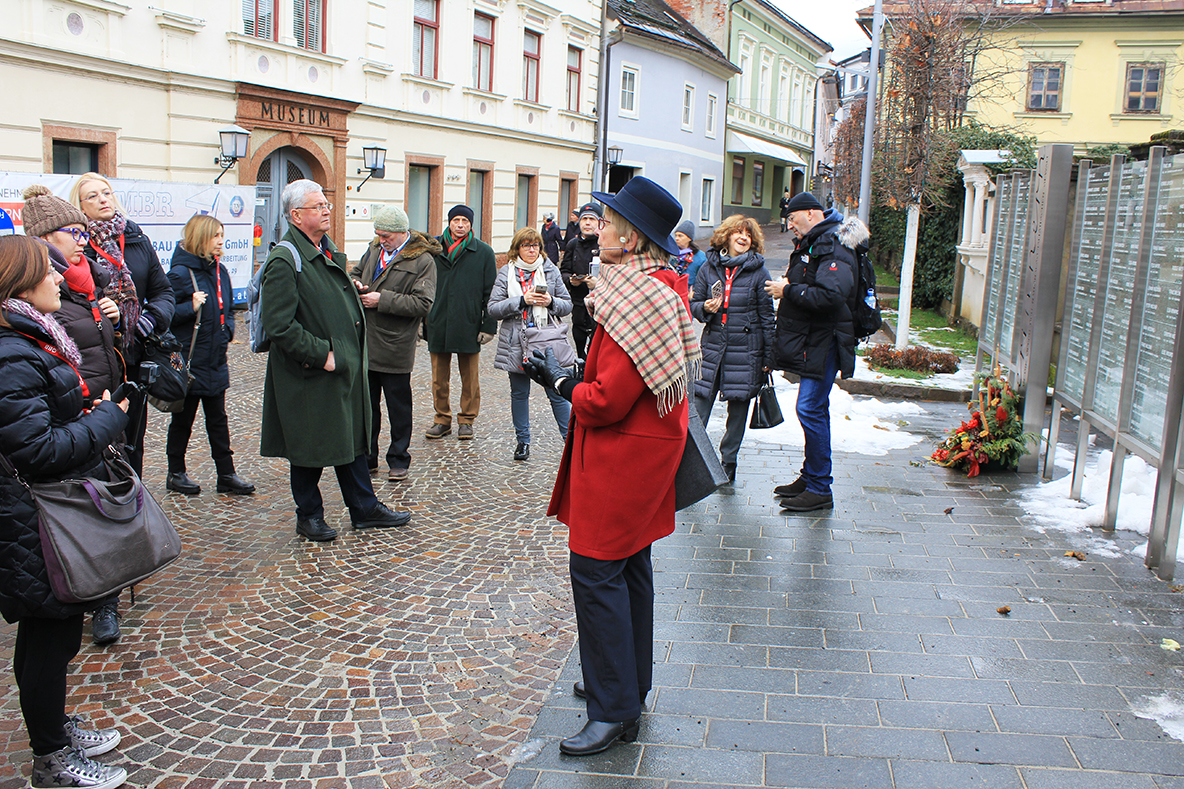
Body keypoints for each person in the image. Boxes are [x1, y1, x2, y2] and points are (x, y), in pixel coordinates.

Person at [524, 177, 699, 756]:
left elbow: (606, 400)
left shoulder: (635, 300)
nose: (596, 228)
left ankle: (613, 709)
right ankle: (623, 683)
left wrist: (561, 378)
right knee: (628, 575)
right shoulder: (649, 289)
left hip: (623, 457)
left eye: (607, 222)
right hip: (639, 455)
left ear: (630, 239)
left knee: (598, 575)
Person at [0, 235, 131, 789]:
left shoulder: (28, 340)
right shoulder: (11, 353)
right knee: (51, 637)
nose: (60, 279)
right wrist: (107, 420)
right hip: (33, 518)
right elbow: (37, 449)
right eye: (48, 272)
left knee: (46, 634)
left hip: (36, 513)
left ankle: (50, 726)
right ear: (20, 284)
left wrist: (85, 408)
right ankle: (51, 759)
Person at [259, 179, 411, 542]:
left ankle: (363, 507)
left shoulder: (325, 249)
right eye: (318, 206)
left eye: (327, 204)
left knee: (351, 438)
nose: (327, 210)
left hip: (341, 367)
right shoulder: (285, 258)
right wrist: (322, 355)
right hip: (311, 371)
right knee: (308, 445)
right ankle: (308, 515)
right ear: (296, 216)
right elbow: (279, 325)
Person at [22, 185, 127, 649]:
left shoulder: (94, 277)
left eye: (84, 232)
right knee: (88, 507)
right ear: (45, 242)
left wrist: (117, 317)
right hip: (79, 415)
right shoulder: (39, 297)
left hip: (106, 407)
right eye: (72, 231)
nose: (82, 239)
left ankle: (111, 586)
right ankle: (98, 597)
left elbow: (111, 340)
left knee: (116, 495)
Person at [70, 172, 175, 477]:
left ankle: (135, 500)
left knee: (134, 439)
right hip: (94, 358)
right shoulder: (78, 245)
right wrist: (107, 317)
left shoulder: (135, 237)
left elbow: (163, 291)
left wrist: (149, 319)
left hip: (136, 355)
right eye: (93, 196)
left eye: (107, 193)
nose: (103, 199)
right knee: (102, 438)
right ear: (79, 205)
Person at [765, 191, 864, 512]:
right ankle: (811, 478)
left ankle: (820, 486)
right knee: (811, 408)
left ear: (811, 214)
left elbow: (831, 295)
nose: (790, 226)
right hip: (816, 340)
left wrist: (788, 290)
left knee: (810, 409)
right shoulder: (819, 240)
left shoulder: (831, 244)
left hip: (826, 342)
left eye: (792, 219)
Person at [164, 215, 255, 497]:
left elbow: (229, 307)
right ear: (201, 238)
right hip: (190, 362)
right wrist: (188, 308)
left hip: (215, 359)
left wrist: (227, 329)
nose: (221, 241)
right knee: (183, 420)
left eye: (222, 235)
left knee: (218, 420)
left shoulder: (220, 271)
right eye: (216, 235)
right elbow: (164, 314)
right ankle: (176, 473)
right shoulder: (180, 274)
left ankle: (226, 474)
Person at [349, 206, 438, 482]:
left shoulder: (423, 261)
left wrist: (381, 299)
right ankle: (368, 457)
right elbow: (356, 271)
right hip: (366, 342)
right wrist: (354, 283)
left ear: (402, 233)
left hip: (395, 344)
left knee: (398, 407)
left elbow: (423, 303)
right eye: (378, 234)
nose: (381, 239)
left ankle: (399, 458)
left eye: (385, 235)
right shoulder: (374, 249)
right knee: (367, 406)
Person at [690, 215, 776, 483]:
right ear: (727, 235)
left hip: (746, 351)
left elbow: (767, 317)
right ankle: (693, 463)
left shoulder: (758, 271)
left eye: (748, 235)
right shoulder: (709, 267)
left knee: (737, 412)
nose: (743, 238)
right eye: (739, 232)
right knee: (699, 407)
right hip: (713, 347)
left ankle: (729, 463)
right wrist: (704, 308)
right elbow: (694, 305)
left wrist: (768, 357)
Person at [487, 227, 573, 462]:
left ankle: (570, 442)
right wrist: (521, 301)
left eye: (535, 245)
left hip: (546, 340)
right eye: (526, 245)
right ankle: (522, 442)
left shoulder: (550, 269)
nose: (532, 249)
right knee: (519, 394)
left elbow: (567, 305)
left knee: (556, 391)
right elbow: (493, 308)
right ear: (518, 248)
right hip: (517, 341)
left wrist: (551, 301)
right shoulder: (507, 272)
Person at [424, 205, 497, 441]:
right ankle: (441, 419)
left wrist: (488, 325)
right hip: (439, 319)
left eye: (465, 221)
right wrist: (421, 319)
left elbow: (491, 292)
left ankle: (467, 420)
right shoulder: (434, 249)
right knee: (439, 377)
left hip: (469, 321)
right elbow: (422, 284)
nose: (460, 225)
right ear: (449, 222)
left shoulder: (483, 252)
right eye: (456, 220)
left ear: (471, 224)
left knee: (470, 377)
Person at [560, 203, 602, 359]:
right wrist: (571, 281)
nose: (588, 223)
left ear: (599, 223)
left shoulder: (603, 244)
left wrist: (597, 283)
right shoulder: (573, 244)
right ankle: (581, 363)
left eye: (592, 219)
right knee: (578, 336)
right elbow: (563, 272)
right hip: (578, 302)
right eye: (584, 219)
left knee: (595, 343)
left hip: (598, 302)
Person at [670, 219, 706, 293]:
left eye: (680, 236)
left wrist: (694, 292)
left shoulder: (700, 257)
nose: (676, 238)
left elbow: (703, 279)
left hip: (689, 295)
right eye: (676, 235)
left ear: (689, 238)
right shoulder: (672, 254)